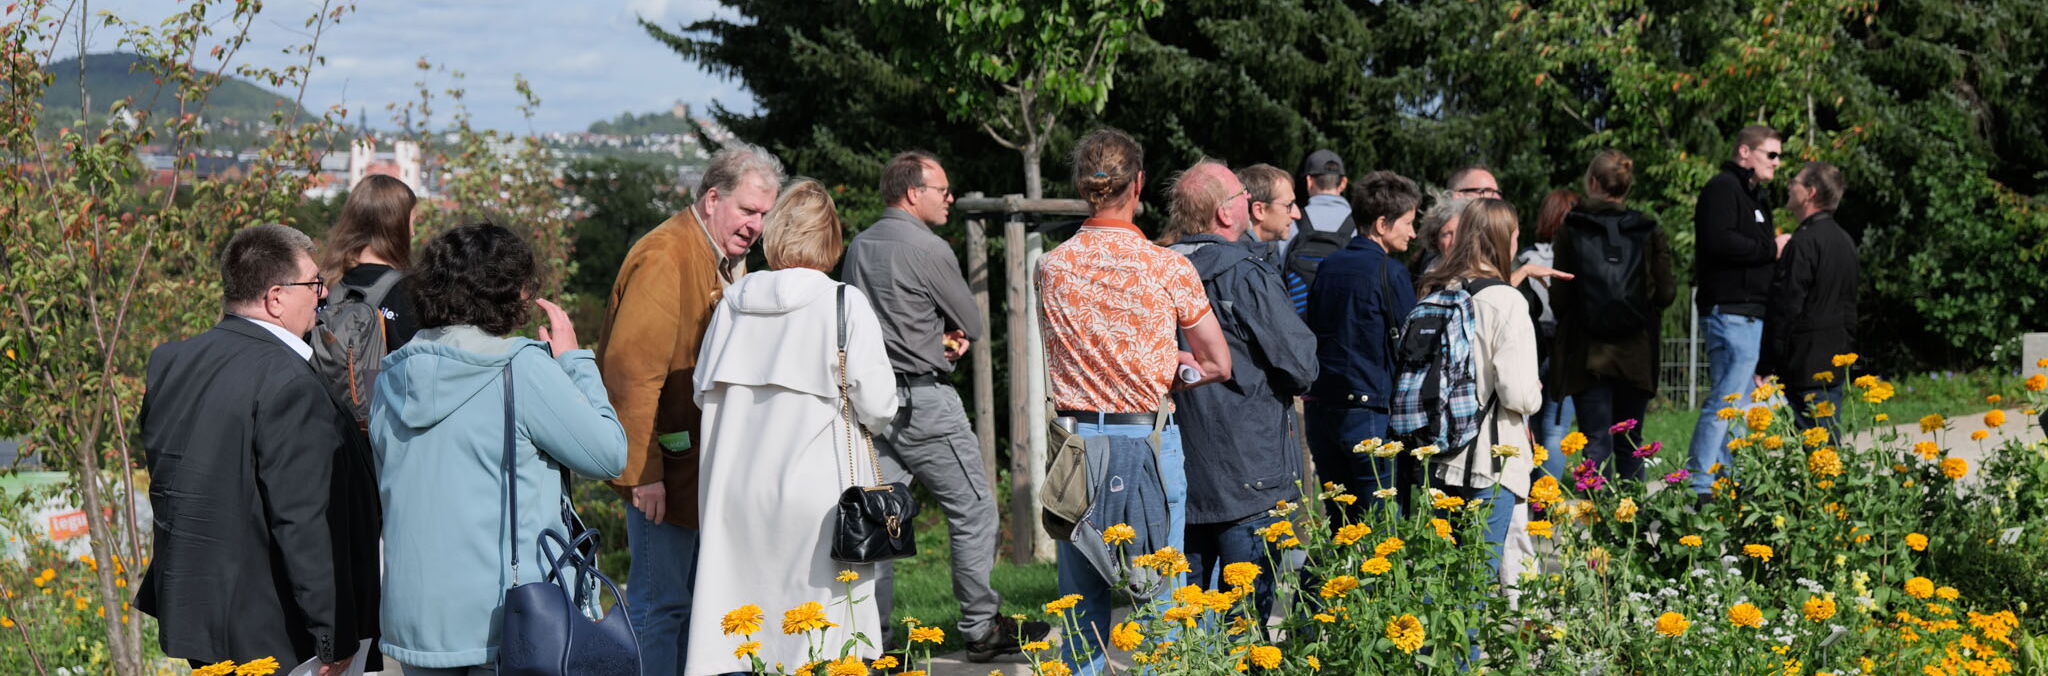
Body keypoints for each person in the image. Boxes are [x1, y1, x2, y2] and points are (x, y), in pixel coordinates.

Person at [370, 223, 629, 674]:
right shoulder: (520, 368)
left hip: (415, 617)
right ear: (512, 292)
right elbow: (609, 454)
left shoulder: (391, 376)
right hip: (509, 619)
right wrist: (574, 361)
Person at [137, 224, 380, 675]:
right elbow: (305, 520)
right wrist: (334, 635)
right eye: (313, 283)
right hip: (277, 633)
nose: (324, 294)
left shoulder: (172, 361)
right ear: (275, 298)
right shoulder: (288, 382)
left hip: (199, 618)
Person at [1036, 127, 1231, 675]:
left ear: (1082, 184)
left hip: (1075, 446)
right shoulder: (1168, 267)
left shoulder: (1050, 268)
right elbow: (1217, 361)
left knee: (1082, 603)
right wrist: (1172, 369)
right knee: (1158, 601)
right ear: (1138, 183)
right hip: (1147, 439)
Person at [686, 181, 899, 675]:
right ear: (831, 239)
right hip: (817, 498)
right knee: (819, 637)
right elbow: (881, 405)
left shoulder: (731, 303)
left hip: (731, 494)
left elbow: (702, 392)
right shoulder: (844, 304)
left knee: (740, 631)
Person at [841, 152, 1046, 660]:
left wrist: (931, 336)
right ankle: (980, 627)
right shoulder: (929, 248)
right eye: (943, 191)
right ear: (914, 193)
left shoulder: (859, 247)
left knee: (879, 521)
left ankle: (875, 643)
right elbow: (972, 324)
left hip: (871, 403)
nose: (949, 199)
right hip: (924, 402)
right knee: (975, 510)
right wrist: (947, 337)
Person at [596, 144, 785, 676]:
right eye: (748, 211)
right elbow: (631, 374)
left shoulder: (718, 256)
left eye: (765, 215)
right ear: (711, 200)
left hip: (695, 474)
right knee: (661, 608)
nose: (756, 226)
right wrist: (644, 474)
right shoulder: (666, 255)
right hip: (665, 478)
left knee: (688, 611)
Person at [1160, 159, 1318, 620]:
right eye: (1242, 199)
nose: (1251, 206)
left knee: (1187, 625)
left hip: (1178, 469)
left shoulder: (1160, 270)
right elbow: (1300, 365)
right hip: (1250, 473)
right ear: (1225, 214)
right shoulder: (1244, 271)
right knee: (1246, 621)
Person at [1415, 199, 1541, 586]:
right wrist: (1534, 392)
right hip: (1490, 460)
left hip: (1439, 455)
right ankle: (1465, 651)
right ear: (1504, 239)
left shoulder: (1440, 290)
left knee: (1443, 582)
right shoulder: (1505, 300)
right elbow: (1518, 395)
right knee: (1473, 586)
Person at [1550, 150, 1676, 482]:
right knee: (1631, 444)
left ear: (1592, 182)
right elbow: (1666, 294)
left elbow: (1560, 297)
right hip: (1636, 352)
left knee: (1595, 443)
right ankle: (1631, 521)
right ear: (1627, 186)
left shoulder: (1571, 227)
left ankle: (1597, 522)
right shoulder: (1648, 229)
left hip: (1586, 354)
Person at [1304, 171, 1424, 518]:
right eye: (1407, 223)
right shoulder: (1391, 272)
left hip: (1323, 410)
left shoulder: (1327, 267)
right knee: (1382, 526)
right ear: (1382, 223)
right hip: (1371, 414)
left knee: (1341, 524)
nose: (1413, 233)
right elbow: (1411, 346)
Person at [1686, 125, 1790, 504]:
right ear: (1745, 152)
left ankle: (1727, 479)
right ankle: (1699, 483)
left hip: (1750, 314)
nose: (1777, 162)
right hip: (1731, 313)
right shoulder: (1722, 189)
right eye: (1771, 154)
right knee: (1727, 401)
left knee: (1740, 406)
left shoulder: (1755, 196)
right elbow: (1720, 241)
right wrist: (1772, 249)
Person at [1760, 161, 1858, 435]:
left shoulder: (1803, 243)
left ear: (1810, 192)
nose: (1790, 186)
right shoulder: (1844, 240)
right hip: (1836, 359)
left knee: (1814, 443)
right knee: (1826, 438)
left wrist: (1767, 362)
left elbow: (1786, 307)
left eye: (1796, 182)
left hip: (1804, 362)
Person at [321, 174, 421, 350]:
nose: (412, 233)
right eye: (411, 223)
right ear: (395, 226)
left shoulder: (320, 285)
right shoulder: (411, 291)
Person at [1521, 188, 1578, 477]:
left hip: (1530, 348)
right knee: (1555, 430)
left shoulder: (1525, 257)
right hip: (1564, 348)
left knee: (1528, 426)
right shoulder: (1577, 256)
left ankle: (1527, 492)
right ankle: (1546, 503)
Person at [1280, 150, 1357, 313]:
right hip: (1340, 326)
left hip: (1297, 324)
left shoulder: (1291, 222)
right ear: (1343, 183)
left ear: (1309, 181)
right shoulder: (1357, 228)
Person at [1236, 163, 1300, 263]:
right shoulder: (1241, 265)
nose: (1297, 215)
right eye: (1289, 205)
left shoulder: (1264, 255)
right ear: (1259, 210)